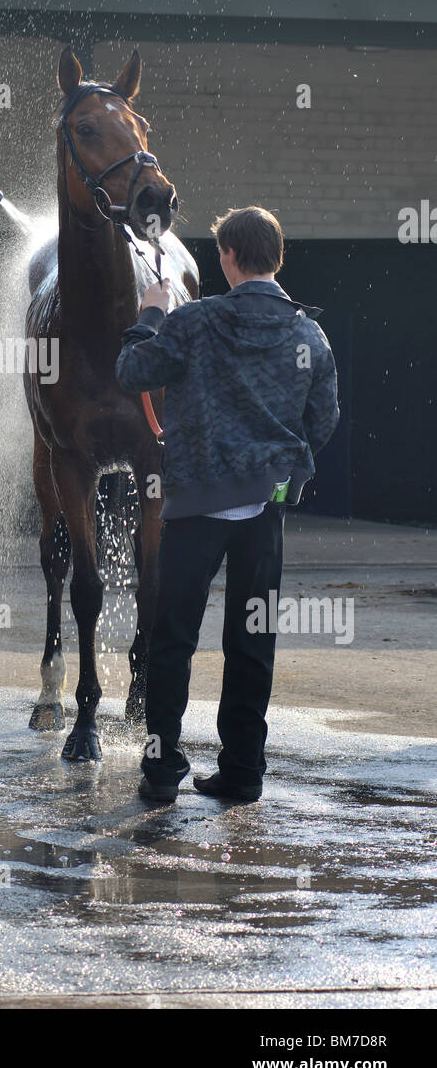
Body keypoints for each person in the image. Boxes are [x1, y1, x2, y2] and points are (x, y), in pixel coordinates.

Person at [115, 206, 339, 804]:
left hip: (194, 512)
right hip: (264, 513)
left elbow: (132, 370)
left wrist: (151, 314)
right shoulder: (308, 335)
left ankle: (163, 769)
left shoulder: (196, 322)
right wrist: (280, 472)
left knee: (172, 639)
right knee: (252, 641)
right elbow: (324, 420)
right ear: (278, 257)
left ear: (230, 257)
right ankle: (243, 772)